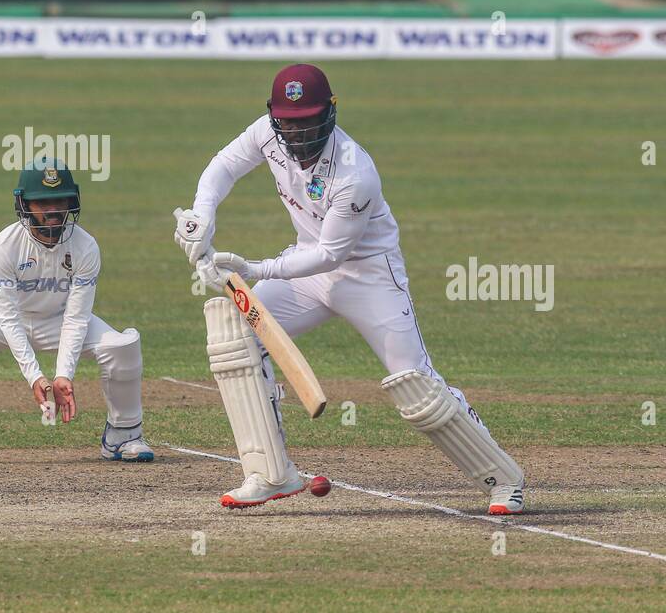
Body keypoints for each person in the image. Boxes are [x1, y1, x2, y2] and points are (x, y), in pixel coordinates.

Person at [173, 64, 526, 515]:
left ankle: (504, 480)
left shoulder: (355, 172)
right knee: (235, 331)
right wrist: (203, 216)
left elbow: (330, 255)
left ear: (330, 113)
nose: (297, 134)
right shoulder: (267, 133)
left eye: (307, 122)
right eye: (288, 122)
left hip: (369, 277)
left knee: (417, 387)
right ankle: (271, 473)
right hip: (305, 270)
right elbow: (222, 167)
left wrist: (254, 267)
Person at [0, 158, 153, 465]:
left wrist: (63, 375)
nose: (52, 211)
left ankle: (124, 434)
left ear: (72, 202)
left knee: (122, 346)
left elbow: (76, 317)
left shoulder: (86, 247)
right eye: (42, 202)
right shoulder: (3, 246)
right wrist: (35, 376)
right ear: (24, 205)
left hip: (59, 319)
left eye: (60, 200)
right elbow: (7, 316)